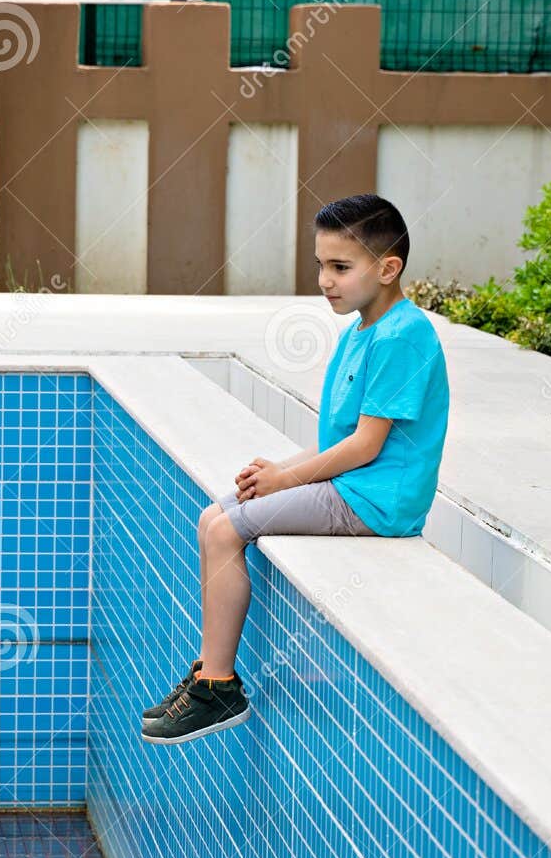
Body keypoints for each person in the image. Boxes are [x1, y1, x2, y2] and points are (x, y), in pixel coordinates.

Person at [141, 193, 451, 745]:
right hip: (351, 485)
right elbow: (336, 442)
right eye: (320, 265)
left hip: (375, 501)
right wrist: (276, 470)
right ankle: (208, 668)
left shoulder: (403, 337)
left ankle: (219, 686)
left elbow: (366, 446)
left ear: (388, 269)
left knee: (227, 530)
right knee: (213, 517)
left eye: (340, 267)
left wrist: (285, 481)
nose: (325, 281)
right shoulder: (360, 331)